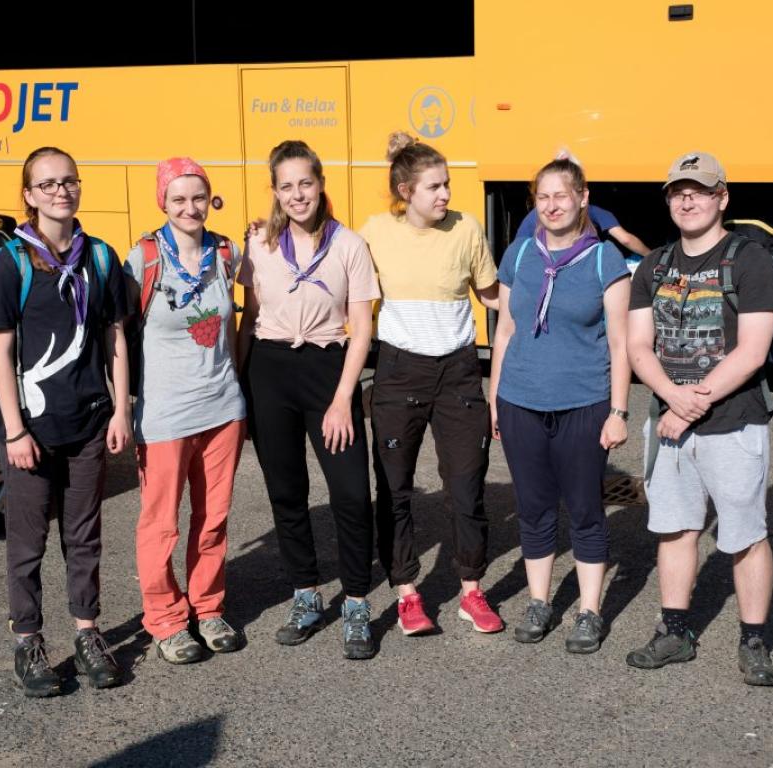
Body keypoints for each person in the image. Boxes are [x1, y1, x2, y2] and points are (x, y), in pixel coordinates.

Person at [626, 151, 773, 686]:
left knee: (745, 534)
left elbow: (754, 351)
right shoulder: (654, 265)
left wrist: (693, 401)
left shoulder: (750, 260)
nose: (686, 199)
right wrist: (673, 397)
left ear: (722, 198)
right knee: (675, 529)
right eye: (677, 191)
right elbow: (638, 346)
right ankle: (675, 632)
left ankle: (755, 640)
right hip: (668, 420)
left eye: (698, 190)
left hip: (735, 422)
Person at [0, 146, 130, 696]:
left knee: (84, 536)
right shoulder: (13, 260)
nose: (60, 191)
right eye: (47, 184)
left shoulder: (101, 256)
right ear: (28, 195)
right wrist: (14, 432)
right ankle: (29, 640)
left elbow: (114, 334)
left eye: (68, 181)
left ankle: (88, 633)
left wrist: (121, 407)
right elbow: (1, 351)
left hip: (89, 422)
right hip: (30, 433)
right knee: (26, 544)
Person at [236, 140, 380, 660]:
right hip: (270, 370)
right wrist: (239, 385)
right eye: (287, 185)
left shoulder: (350, 246)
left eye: (306, 183)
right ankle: (306, 595)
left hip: (328, 369)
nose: (298, 194)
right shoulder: (259, 244)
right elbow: (247, 319)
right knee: (287, 491)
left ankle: (358, 602)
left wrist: (344, 399)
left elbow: (362, 326)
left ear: (321, 185)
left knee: (348, 492)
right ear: (274, 192)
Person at [360, 132, 502, 636]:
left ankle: (471, 591)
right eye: (434, 187)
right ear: (406, 191)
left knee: (466, 487)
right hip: (399, 372)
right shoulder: (375, 231)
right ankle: (407, 592)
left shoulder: (467, 229)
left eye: (447, 185)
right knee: (395, 488)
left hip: (458, 373)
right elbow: (344, 285)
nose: (445, 195)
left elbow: (491, 296)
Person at [489, 153, 631, 653]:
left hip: (585, 402)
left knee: (587, 509)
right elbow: (504, 330)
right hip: (520, 400)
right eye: (542, 197)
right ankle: (539, 602)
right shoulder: (521, 255)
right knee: (533, 508)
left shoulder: (603, 260)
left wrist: (618, 412)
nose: (551, 206)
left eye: (561, 195)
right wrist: (494, 399)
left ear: (582, 198)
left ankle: (589, 611)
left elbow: (620, 344)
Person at [126, 158, 246, 664]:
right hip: (165, 415)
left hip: (222, 408)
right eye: (178, 199)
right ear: (163, 202)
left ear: (210, 198)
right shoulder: (144, 259)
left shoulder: (226, 252)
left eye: (198, 197)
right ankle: (166, 619)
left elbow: (239, 323)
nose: (189, 207)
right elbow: (119, 335)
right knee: (161, 525)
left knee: (212, 519)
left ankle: (208, 606)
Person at [514, 202, 651, 272]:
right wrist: (652, 255)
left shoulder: (535, 215)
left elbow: (517, 254)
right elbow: (625, 239)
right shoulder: (594, 211)